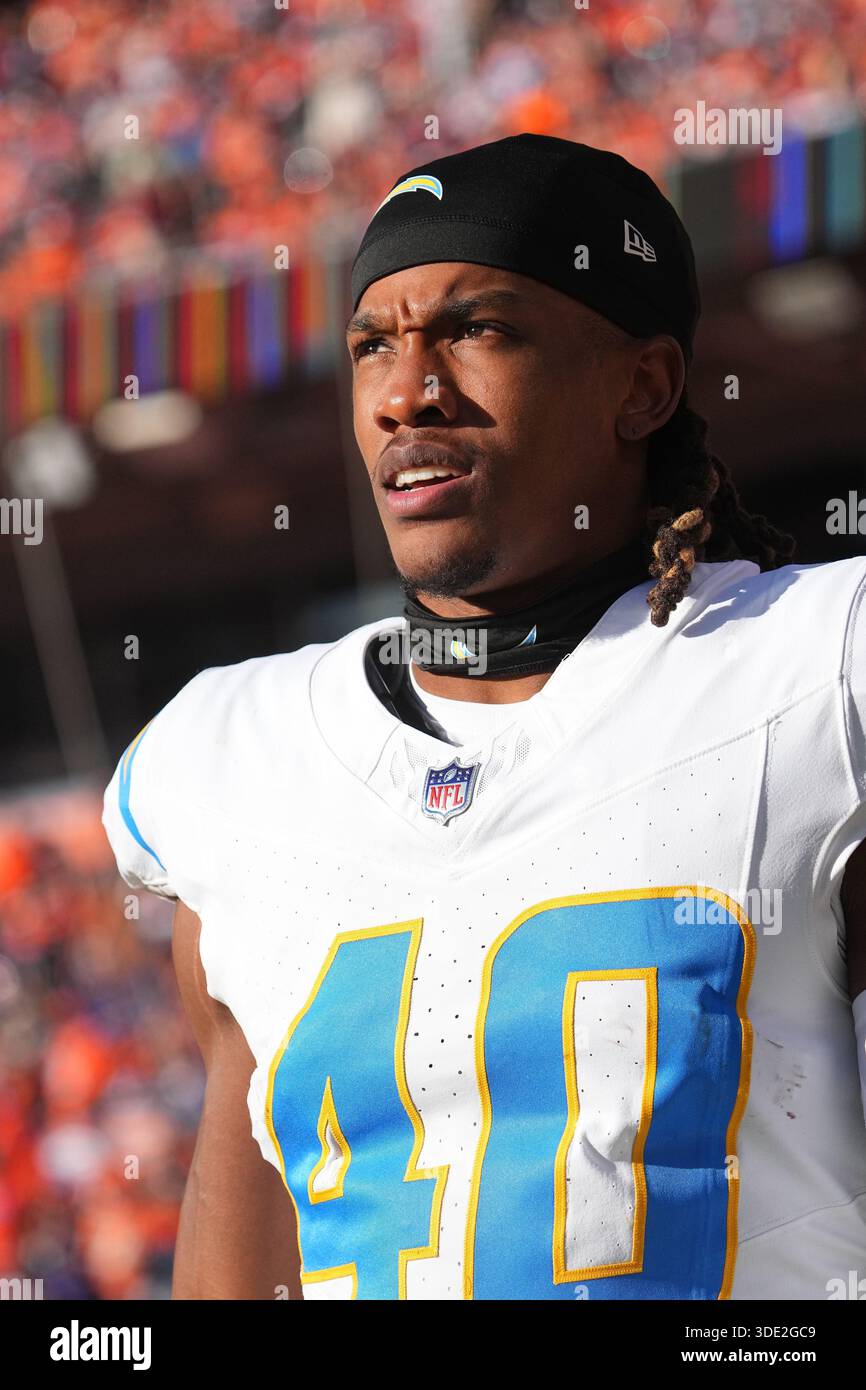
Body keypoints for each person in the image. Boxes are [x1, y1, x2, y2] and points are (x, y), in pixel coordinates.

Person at [103, 134, 866, 1300]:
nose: (409, 390)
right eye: (373, 344)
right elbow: (240, 1221)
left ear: (642, 386)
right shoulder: (226, 757)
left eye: (478, 329)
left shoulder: (816, 669)